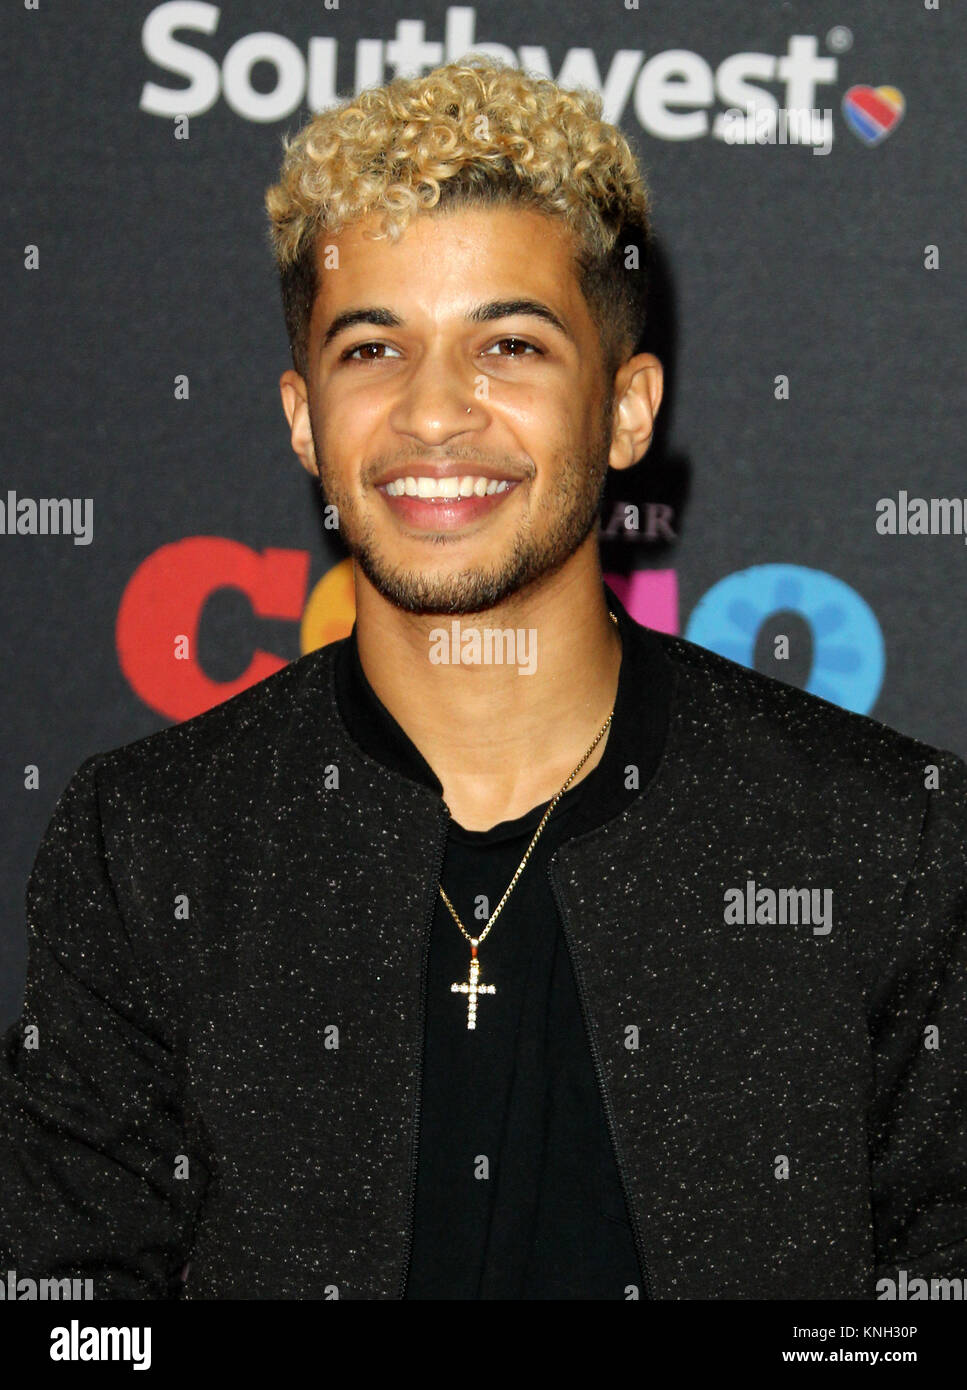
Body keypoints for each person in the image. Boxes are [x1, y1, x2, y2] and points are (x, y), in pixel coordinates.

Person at [1, 56, 965, 1301]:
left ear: (625, 409)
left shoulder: (885, 841)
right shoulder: (148, 846)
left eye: (507, 343)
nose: (435, 414)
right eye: (372, 349)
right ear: (303, 420)